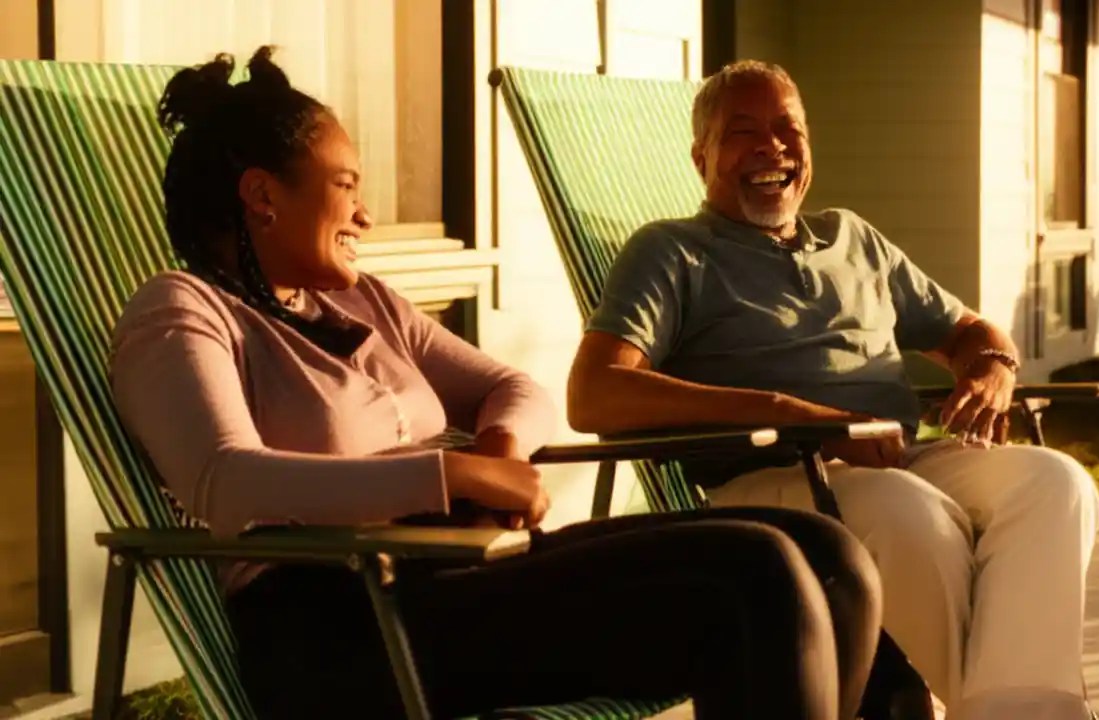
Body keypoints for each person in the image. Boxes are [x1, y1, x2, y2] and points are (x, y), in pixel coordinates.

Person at [108, 48, 884, 720]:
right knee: (757, 576)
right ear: (261, 195)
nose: (366, 215)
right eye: (345, 185)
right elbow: (226, 484)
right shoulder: (180, 311)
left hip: (466, 575)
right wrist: (451, 477)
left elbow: (514, 388)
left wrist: (499, 453)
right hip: (342, 623)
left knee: (826, 554)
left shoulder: (361, 301)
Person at [567, 60, 1099, 720]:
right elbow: (594, 393)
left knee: (1057, 483)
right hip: (775, 472)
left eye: (788, 129)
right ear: (700, 157)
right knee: (910, 515)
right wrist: (795, 415)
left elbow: (967, 329)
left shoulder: (852, 237)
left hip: (900, 457)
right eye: (743, 132)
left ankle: (1009, 711)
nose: (772, 147)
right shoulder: (671, 251)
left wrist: (994, 366)